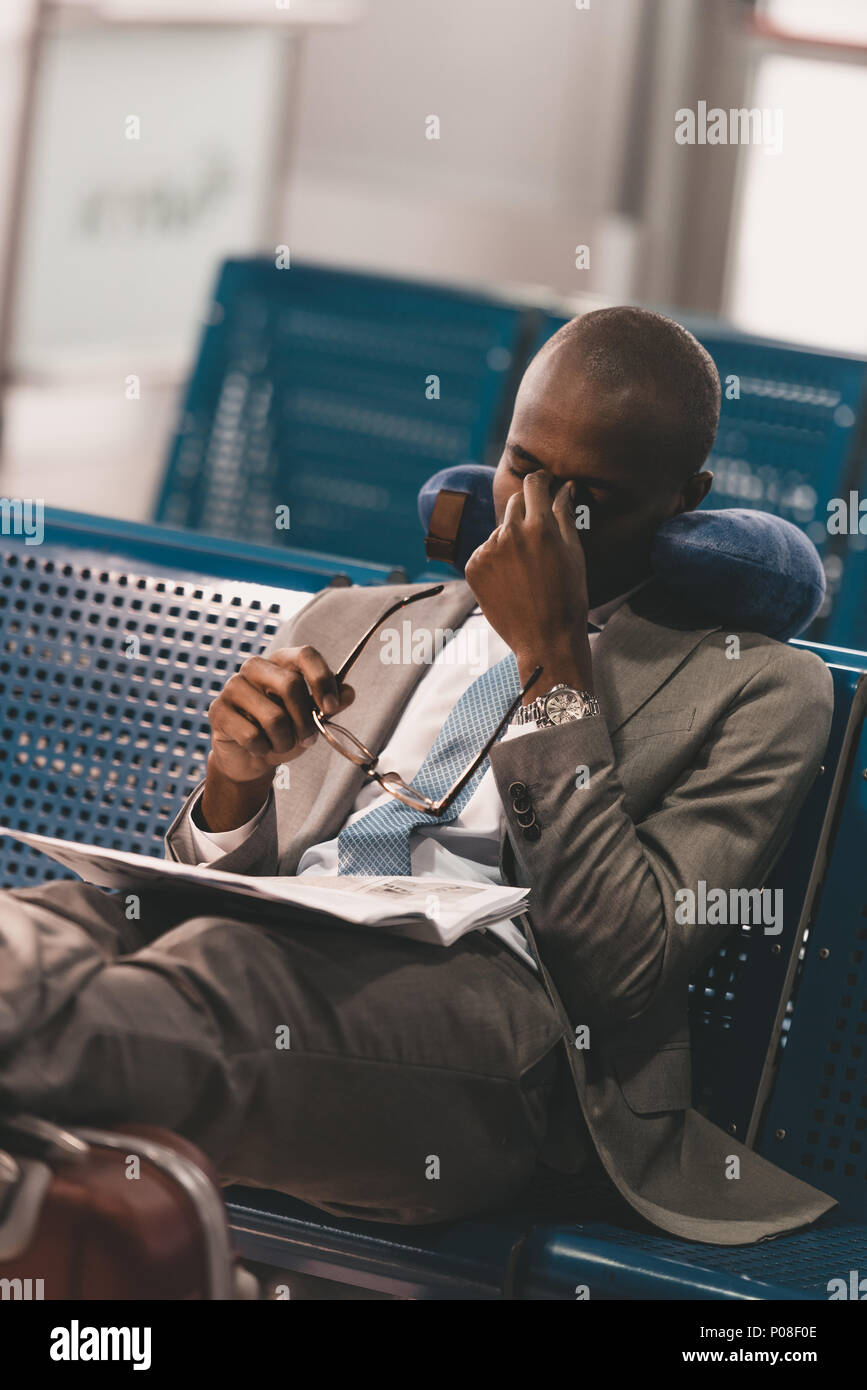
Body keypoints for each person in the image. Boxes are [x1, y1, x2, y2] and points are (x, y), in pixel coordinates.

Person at [0, 308, 836, 1243]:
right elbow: (219, 881)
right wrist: (232, 785)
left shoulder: (756, 686)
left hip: (494, 1035)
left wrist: (554, 665)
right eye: (524, 470)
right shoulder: (357, 619)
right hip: (278, 953)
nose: (538, 518)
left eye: (591, 497)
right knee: (35, 931)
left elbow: (616, 969)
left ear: (687, 500)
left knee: (213, 979)